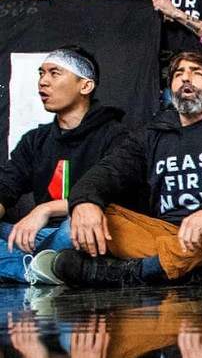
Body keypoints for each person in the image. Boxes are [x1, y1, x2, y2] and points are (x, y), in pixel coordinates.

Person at [36, 52, 202, 286]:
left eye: (196, 72)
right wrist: (86, 201)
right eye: (178, 74)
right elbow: (110, 170)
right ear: (171, 90)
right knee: (101, 216)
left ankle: (138, 272)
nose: (185, 77)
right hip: (162, 235)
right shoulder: (151, 134)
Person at [0, 48, 127, 285]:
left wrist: (46, 209)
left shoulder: (115, 136)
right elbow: (6, 185)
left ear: (85, 86)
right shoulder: (34, 140)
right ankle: (38, 269)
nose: (43, 82)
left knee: (75, 228)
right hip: (32, 237)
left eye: (54, 73)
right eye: (41, 74)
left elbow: (115, 194)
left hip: (75, 234)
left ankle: (27, 266)